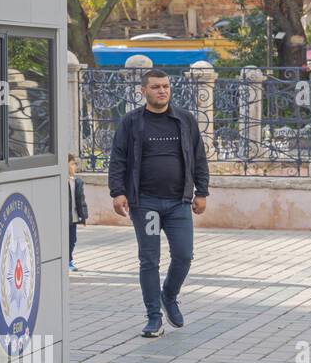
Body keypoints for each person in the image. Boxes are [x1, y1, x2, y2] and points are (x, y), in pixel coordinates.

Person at [107, 69, 209, 338]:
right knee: (149, 260)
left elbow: (199, 157)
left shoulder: (184, 120)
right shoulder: (131, 122)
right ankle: (154, 317)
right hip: (146, 204)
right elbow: (118, 158)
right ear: (143, 91)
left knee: (184, 255)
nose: (162, 91)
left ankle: (169, 295)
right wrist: (117, 192)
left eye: (165, 86)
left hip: (178, 203)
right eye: (155, 87)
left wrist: (202, 192)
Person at [67, 153, 87, 272]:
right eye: (72, 164)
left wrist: (83, 216)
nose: (75, 166)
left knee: (72, 239)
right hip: (65, 217)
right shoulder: (61, 182)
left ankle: (68, 259)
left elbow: (81, 201)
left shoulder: (77, 182)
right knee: (66, 240)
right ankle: (68, 261)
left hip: (74, 217)